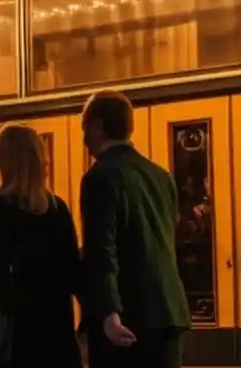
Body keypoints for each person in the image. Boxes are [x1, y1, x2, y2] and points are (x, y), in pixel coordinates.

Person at [0, 124, 82, 368]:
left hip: (11, 337)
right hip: (55, 333)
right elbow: (73, 273)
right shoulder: (57, 208)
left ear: (3, 162)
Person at [79, 91, 191, 368]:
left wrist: (108, 311)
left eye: (85, 127)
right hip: (169, 312)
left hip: (129, 319)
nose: (84, 137)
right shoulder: (160, 175)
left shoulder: (100, 177)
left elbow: (102, 249)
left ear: (97, 126)